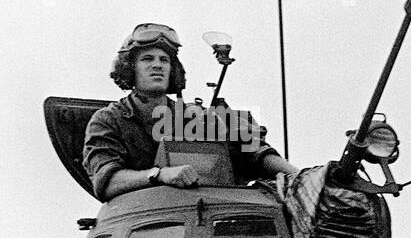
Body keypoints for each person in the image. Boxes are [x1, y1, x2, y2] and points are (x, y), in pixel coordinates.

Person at [83, 23, 297, 202]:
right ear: (129, 68)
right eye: (147, 59)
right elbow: (106, 182)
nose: (157, 65)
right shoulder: (107, 120)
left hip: (215, 211)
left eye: (164, 60)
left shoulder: (199, 116)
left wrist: (299, 176)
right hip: (147, 217)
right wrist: (160, 174)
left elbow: (256, 151)